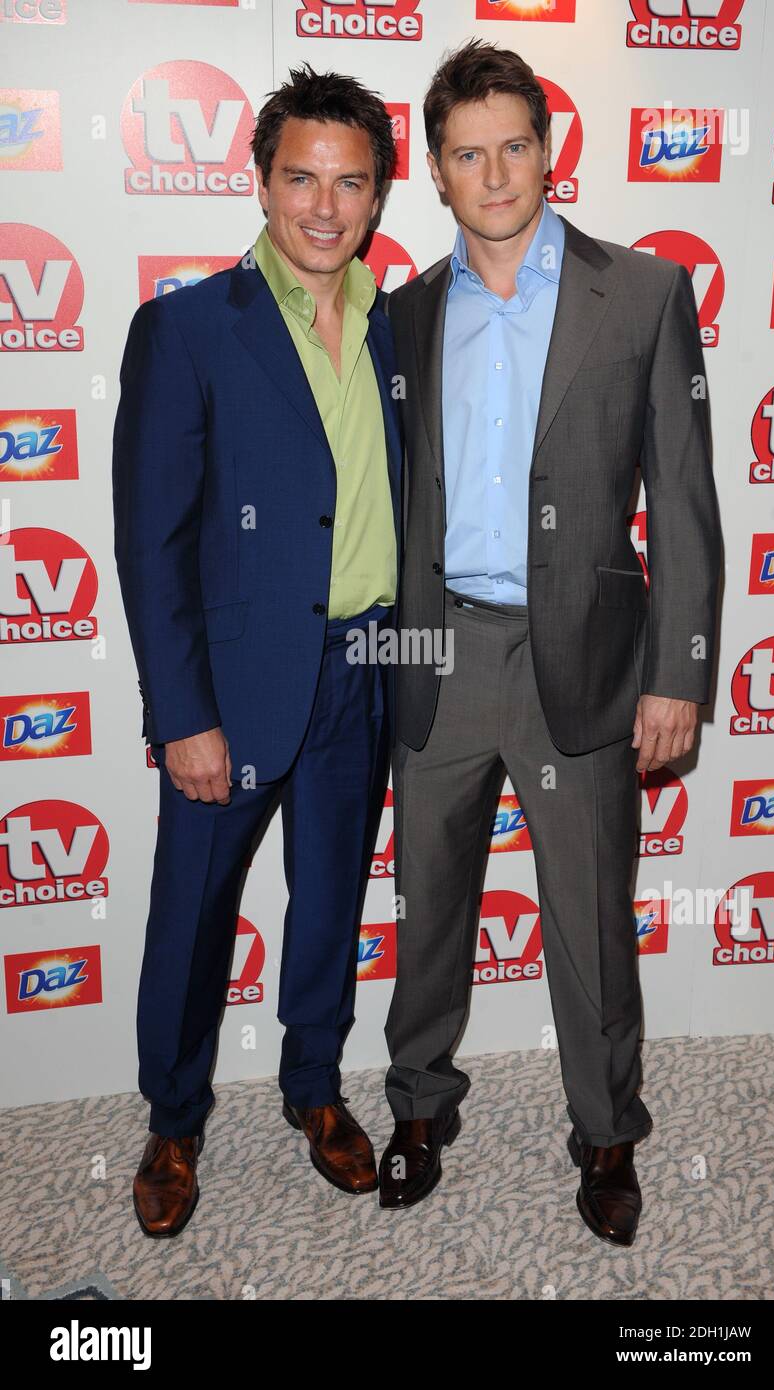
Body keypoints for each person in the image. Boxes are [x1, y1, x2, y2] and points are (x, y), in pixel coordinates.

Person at [378, 39, 722, 1246]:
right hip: (441, 655)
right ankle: (420, 1107)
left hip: (583, 656)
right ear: (436, 170)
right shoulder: (403, 312)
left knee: (589, 916)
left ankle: (607, 1128)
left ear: (549, 146)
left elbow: (682, 500)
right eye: (466, 153)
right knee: (429, 910)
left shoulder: (641, 292)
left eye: (513, 144)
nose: (495, 172)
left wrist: (677, 674)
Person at [112, 63, 401, 1236]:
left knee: (330, 899)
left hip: (367, 669)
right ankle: (174, 1118)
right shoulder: (187, 329)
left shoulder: (400, 326)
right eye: (302, 179)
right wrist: (181, 712)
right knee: (193, 913)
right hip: (232, 687)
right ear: (262, 181)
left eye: (351, 183)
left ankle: (314, 1089)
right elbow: (151, 539)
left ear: (378, 196)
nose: (325, 207)